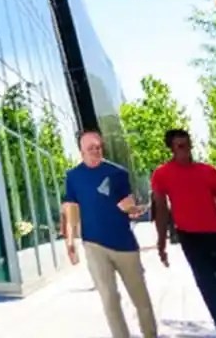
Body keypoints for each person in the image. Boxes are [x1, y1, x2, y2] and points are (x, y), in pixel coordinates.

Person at [152, 129, 216, 338]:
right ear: (171, 149)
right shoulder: (162, 174)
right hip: (191, 238)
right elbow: (161, 209)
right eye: (180, 146)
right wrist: (161, 242)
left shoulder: (208, 171)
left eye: (187, 144)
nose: (185, 149)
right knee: (211, 289)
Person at [61, 130, 158, 338]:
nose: (96, 151)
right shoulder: (73, 177)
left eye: (98, 147)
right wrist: (69, 241)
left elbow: (127, 202)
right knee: (109, 299)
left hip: (124, 245)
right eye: (90, 148)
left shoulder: (117, 173)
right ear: (81, 151)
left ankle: (150, 334)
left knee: (140, 297)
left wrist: (132, 209)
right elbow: (71, 209)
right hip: (94, 245)